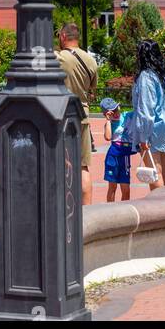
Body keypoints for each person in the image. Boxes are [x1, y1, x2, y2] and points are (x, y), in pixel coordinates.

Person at [126, 39, 165, 189]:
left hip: (153, 129)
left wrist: (143, 136)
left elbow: (146, 109)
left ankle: (160, 209)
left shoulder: (146, 76)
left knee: (154, 171)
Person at [56, 22, 99, 205]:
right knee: (83, 166)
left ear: (63, 37)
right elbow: (92, 90)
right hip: (83, 115)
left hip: (62, 114)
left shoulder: (58, 58)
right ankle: (86, 211)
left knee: (60, 162)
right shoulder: (90, 60)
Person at [101, 96, 133, 201]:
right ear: (106, 114)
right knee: (112, 186)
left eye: (116, 109)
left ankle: (124, 210)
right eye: (111, 112)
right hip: (113, 155)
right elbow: (108, 137)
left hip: (125, 156)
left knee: (126, 188)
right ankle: (110, 211)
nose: (115, 113)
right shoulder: (109, 124)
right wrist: (108, 121)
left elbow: (140, 112)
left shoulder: (127, 116)